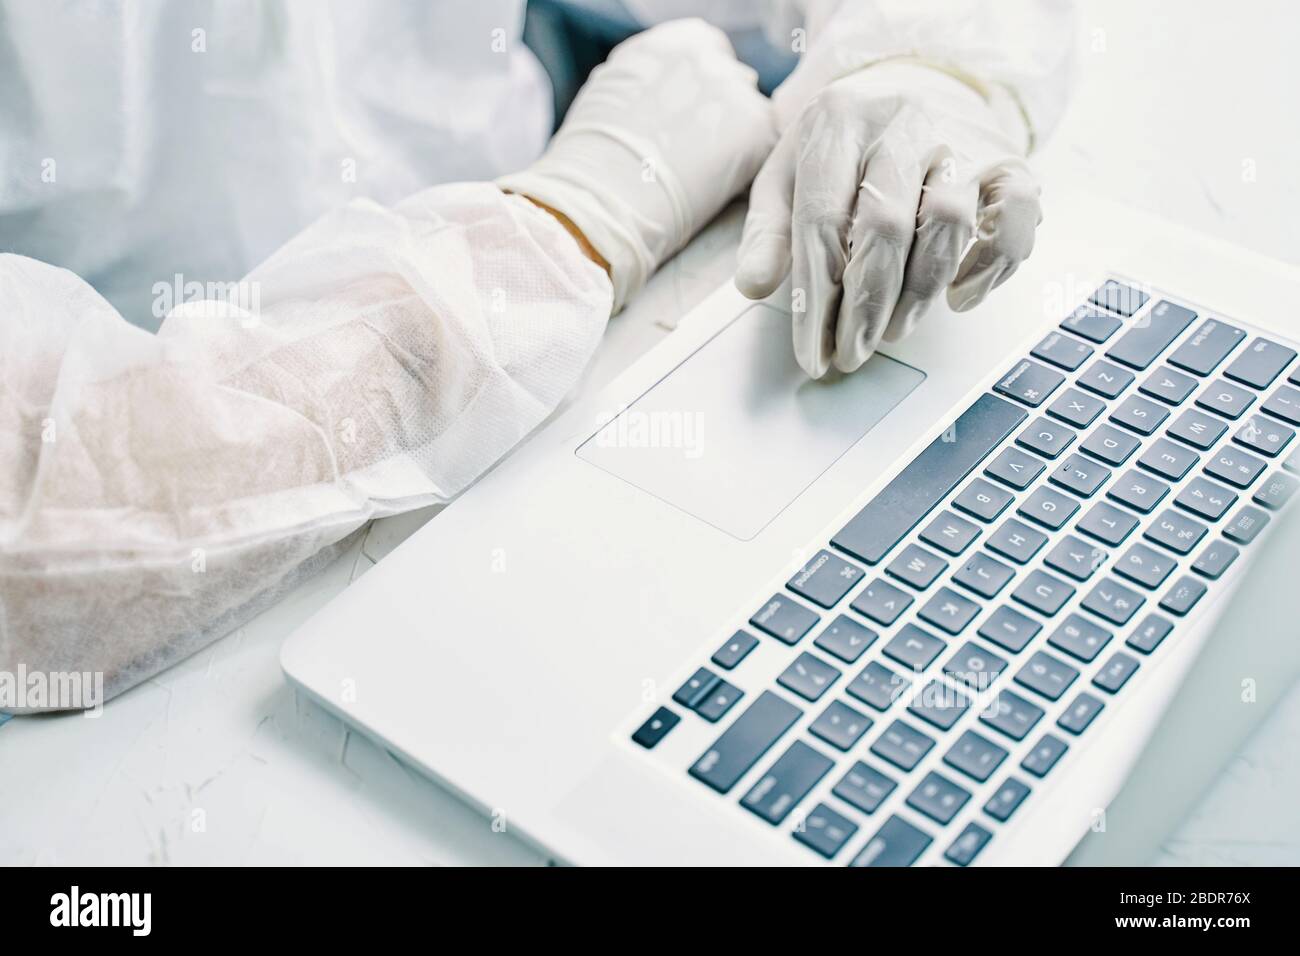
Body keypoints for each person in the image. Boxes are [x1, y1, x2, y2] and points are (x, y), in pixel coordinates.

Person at [1, 1, 1073, 708]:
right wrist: (569, 222)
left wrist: (922, 73)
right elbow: (38, 543)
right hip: (182, 643)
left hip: (574, 374)